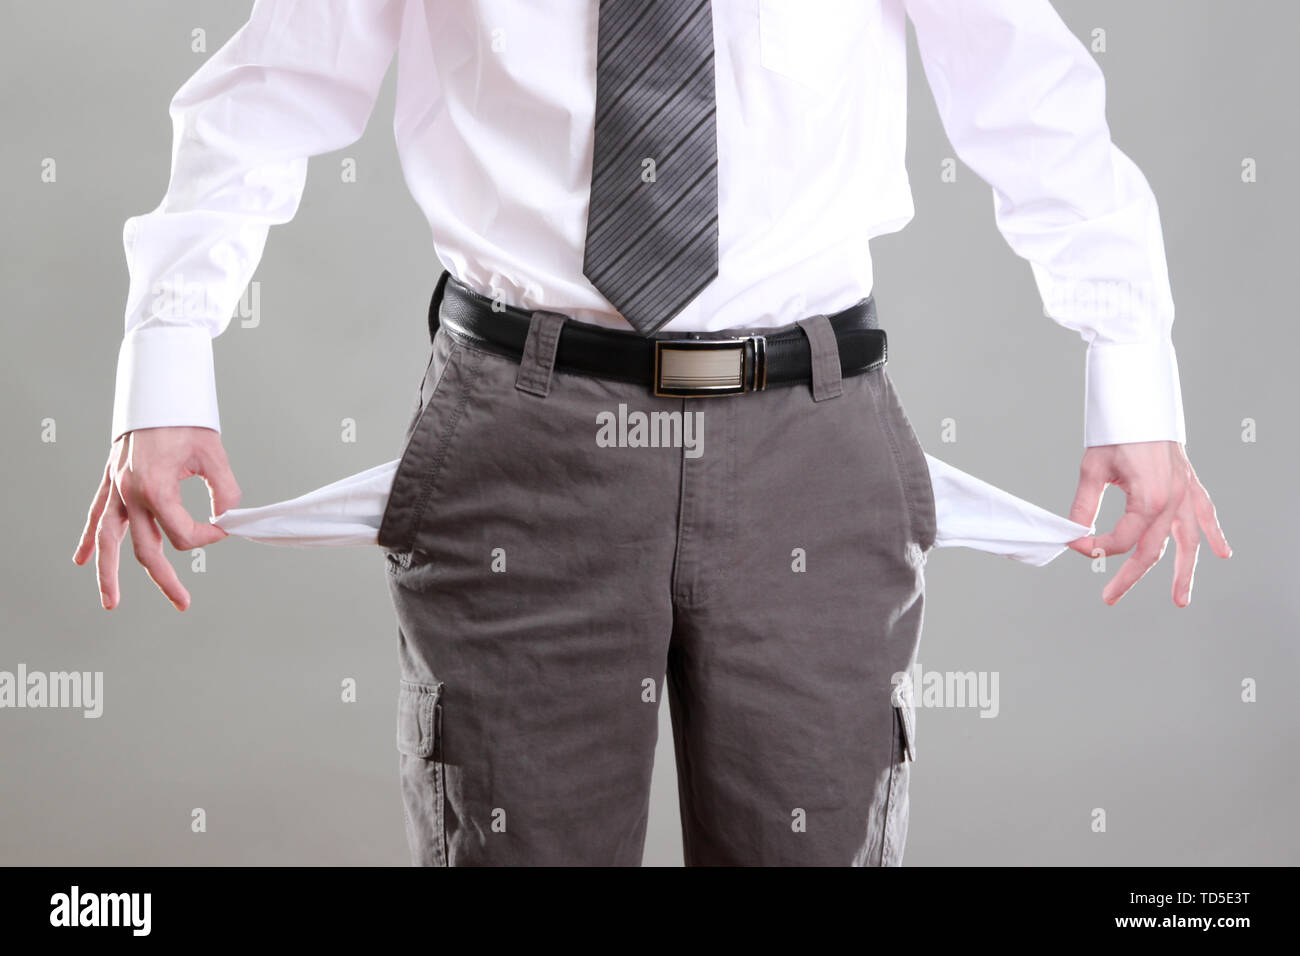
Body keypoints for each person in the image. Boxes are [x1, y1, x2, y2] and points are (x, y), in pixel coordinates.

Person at [72, 0, 1230, 866]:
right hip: (520, 444)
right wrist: (169, 357)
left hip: (809, 447)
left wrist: (1128, 364)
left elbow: (1024, 88)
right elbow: (273, 83)